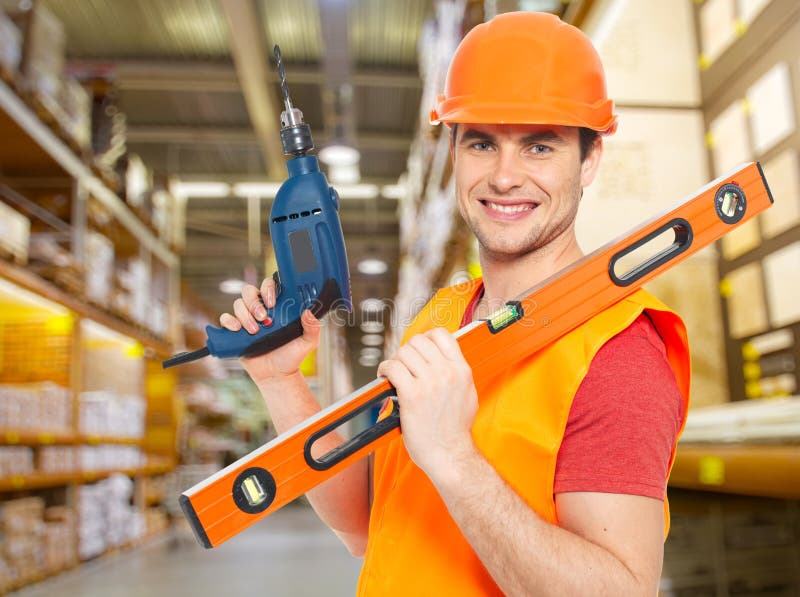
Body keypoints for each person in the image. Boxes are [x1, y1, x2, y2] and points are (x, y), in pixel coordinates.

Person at [220, 11, 690, 596]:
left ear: (589, 159)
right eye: (482, 143)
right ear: (453, 151)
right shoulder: (440, 318)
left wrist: (453, 457)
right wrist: (281, 380)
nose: (505, 176)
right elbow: (366, 519)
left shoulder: (616, 352)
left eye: (539, 146)